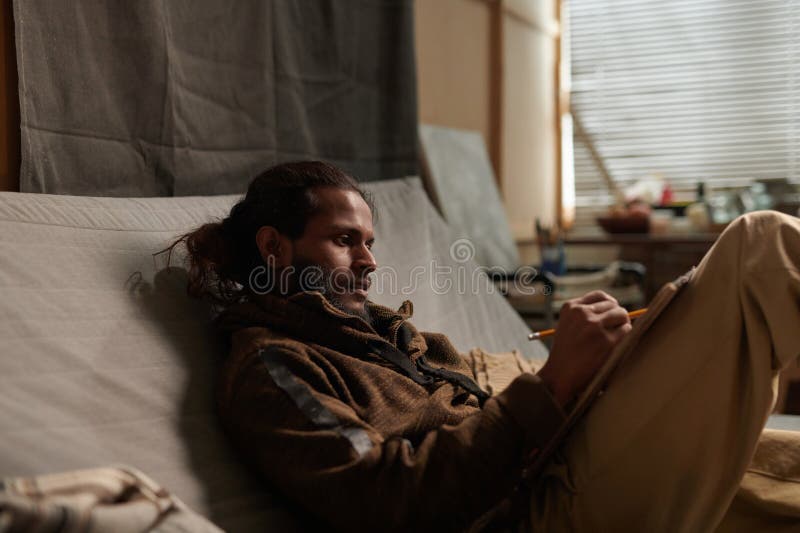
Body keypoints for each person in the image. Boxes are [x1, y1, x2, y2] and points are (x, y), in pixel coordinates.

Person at [177, 160, 800, 532]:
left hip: (560, 455)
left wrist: (600, 369)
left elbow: (490, 396)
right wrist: (552, 384)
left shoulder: (386, 334)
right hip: (531, 514)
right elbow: (385, 500)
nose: (369, 261)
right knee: (757, 245)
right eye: (346, 240)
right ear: (273, 248)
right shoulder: (274, 368)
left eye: (369, 241)